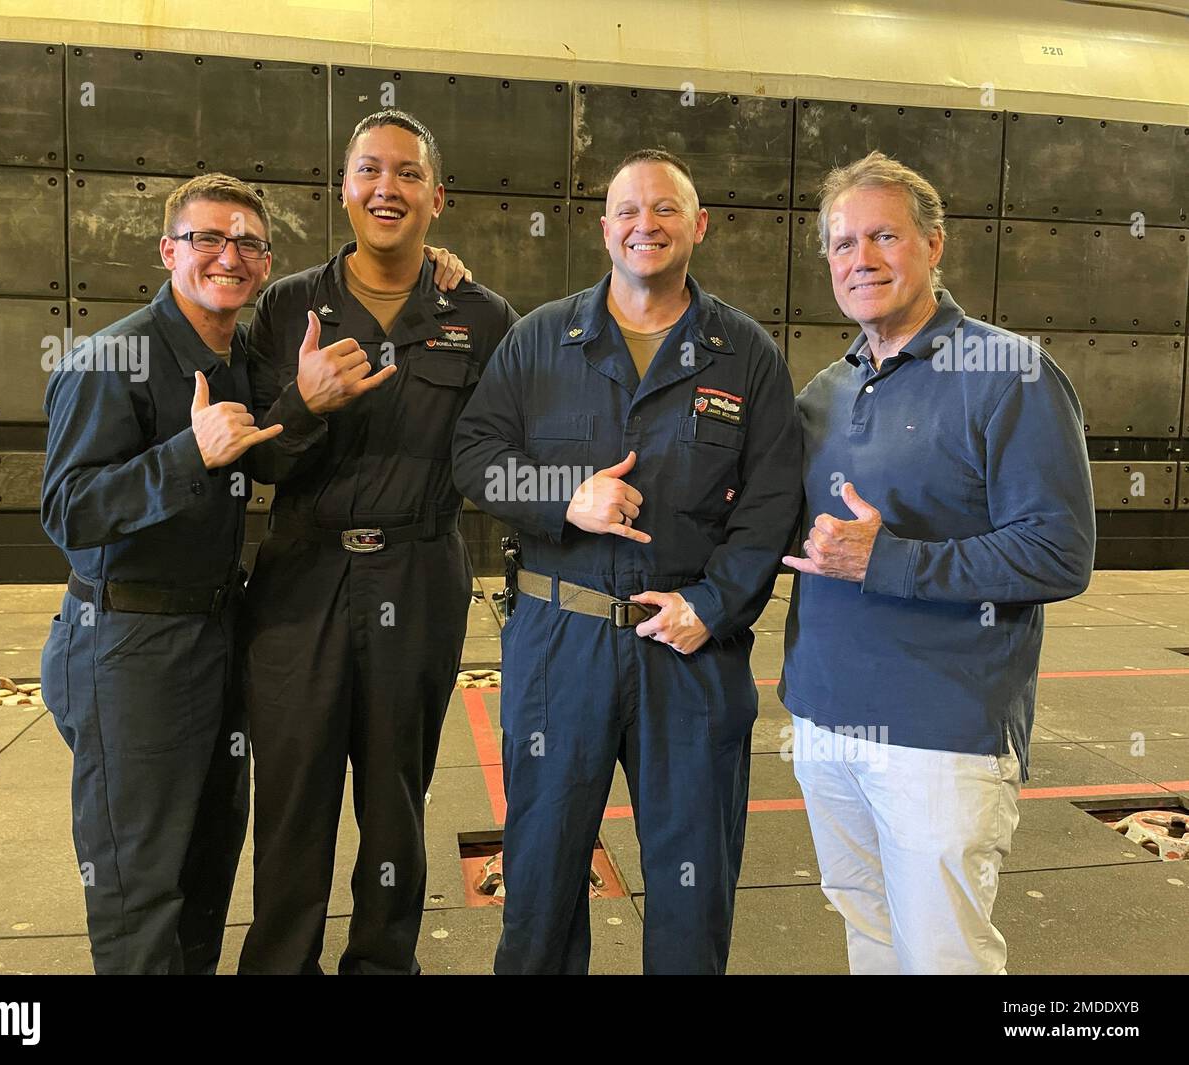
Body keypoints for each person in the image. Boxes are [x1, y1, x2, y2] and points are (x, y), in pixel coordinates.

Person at [453, 148, 803, 974]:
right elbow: (474, 456)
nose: (646, 224)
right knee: (538, 875)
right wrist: (564, 494)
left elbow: (771, 503)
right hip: (557, 646)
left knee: (693, 885)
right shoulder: (542, 339)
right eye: (629, 211)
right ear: (604, 226)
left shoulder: (744, 355)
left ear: (699, 225)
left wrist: (714, 606)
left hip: (688, 649)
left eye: (667, 209)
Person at [780, 150, 1095, 974]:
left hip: (941, 736)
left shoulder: (1010, 375)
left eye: (884, 236)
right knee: (871, 939)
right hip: (822, 720)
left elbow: (1058, 552)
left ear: (935, 245)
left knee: (943, 957)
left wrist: (887, 560)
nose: (862, 259)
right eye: (844, 244)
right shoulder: (824, 392)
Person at [236, 110, 516, 975]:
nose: (384, 188)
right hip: (302, 576)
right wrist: (302, 406)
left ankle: (383, 964)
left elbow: (504, 448)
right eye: (368, 171)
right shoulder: (284, 310)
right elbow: (255, 459)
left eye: (405, 174)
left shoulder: (481, 314)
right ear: (344, 189)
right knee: (290, 798)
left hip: (419, 569)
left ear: (438, 196)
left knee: (396, 796)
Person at [40, 173, 281, 974]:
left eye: (248, 241)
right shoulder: (111, 360)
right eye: (209, 237)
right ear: (169, 250)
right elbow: (68, 510)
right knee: (137, 880)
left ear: (266, 264)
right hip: (126, 645)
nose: (229, 254)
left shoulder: (241, 358)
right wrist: (188, 454)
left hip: (214, 637)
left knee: (207, 865)